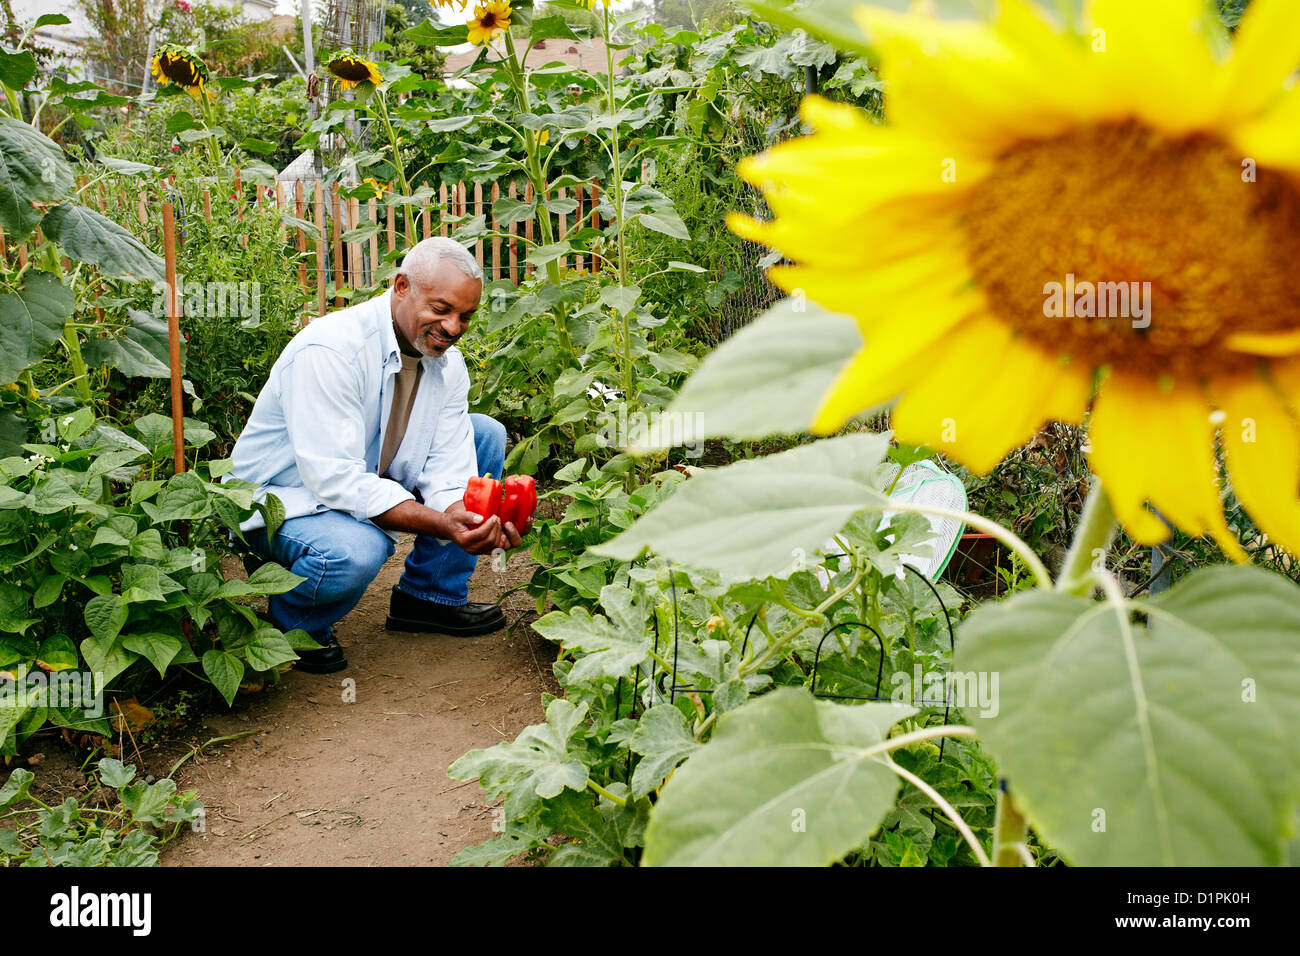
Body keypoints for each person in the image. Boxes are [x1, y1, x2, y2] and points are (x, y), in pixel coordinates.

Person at [227, 237, 529, 673]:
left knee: (484, 434)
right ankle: (292, 626)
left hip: (365, 474)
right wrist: (444, 523)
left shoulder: (448, 365)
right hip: (281, 503)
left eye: (466, 315)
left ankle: (427, 600)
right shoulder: (331, 349)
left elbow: (449, 470)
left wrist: (467, 518)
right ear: (402, 286)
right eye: (441, 309)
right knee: (355, 550)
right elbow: (337, 481)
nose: (453, 326)